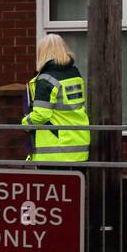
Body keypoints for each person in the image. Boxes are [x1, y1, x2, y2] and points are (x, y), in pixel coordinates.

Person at [22, 33, 90, 162]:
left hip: (55, 151)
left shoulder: (45, 80)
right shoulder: (75, 73)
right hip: (79, 144)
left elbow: (41, 115)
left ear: (43, 53)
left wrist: (25, 124)